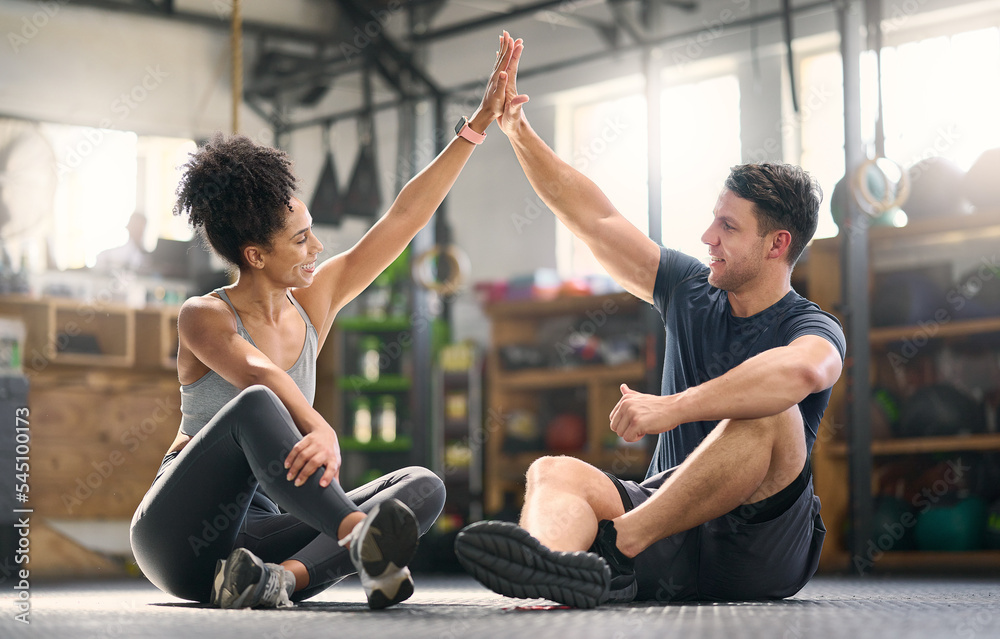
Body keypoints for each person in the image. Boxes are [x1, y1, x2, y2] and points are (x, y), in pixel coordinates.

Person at [130, 32, 525, 610]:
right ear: (255, 255)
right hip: (180, 538)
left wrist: (477, 126)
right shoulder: (204, 316)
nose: (317, 247)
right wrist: (320, 426)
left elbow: (403, 218)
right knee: (257, 405)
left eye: (312, 230)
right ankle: (360, 538)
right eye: (300, 239)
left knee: (421, 487)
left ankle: (279, 581)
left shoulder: (314, 301)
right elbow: (260, 375)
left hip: (259, 538)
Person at [454, 36, 846, 608]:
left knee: (773, 410)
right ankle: (550, 576)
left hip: (755, 547)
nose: (708, 237)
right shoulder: (689, 288)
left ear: (776, 244)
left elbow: (805, 372)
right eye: (712, 220)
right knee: (552, 471)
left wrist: (674, 408)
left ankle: (618, 546)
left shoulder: (812, 326)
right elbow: (594, 219)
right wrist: (517, 131)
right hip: (670, 528)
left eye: (728, 227)